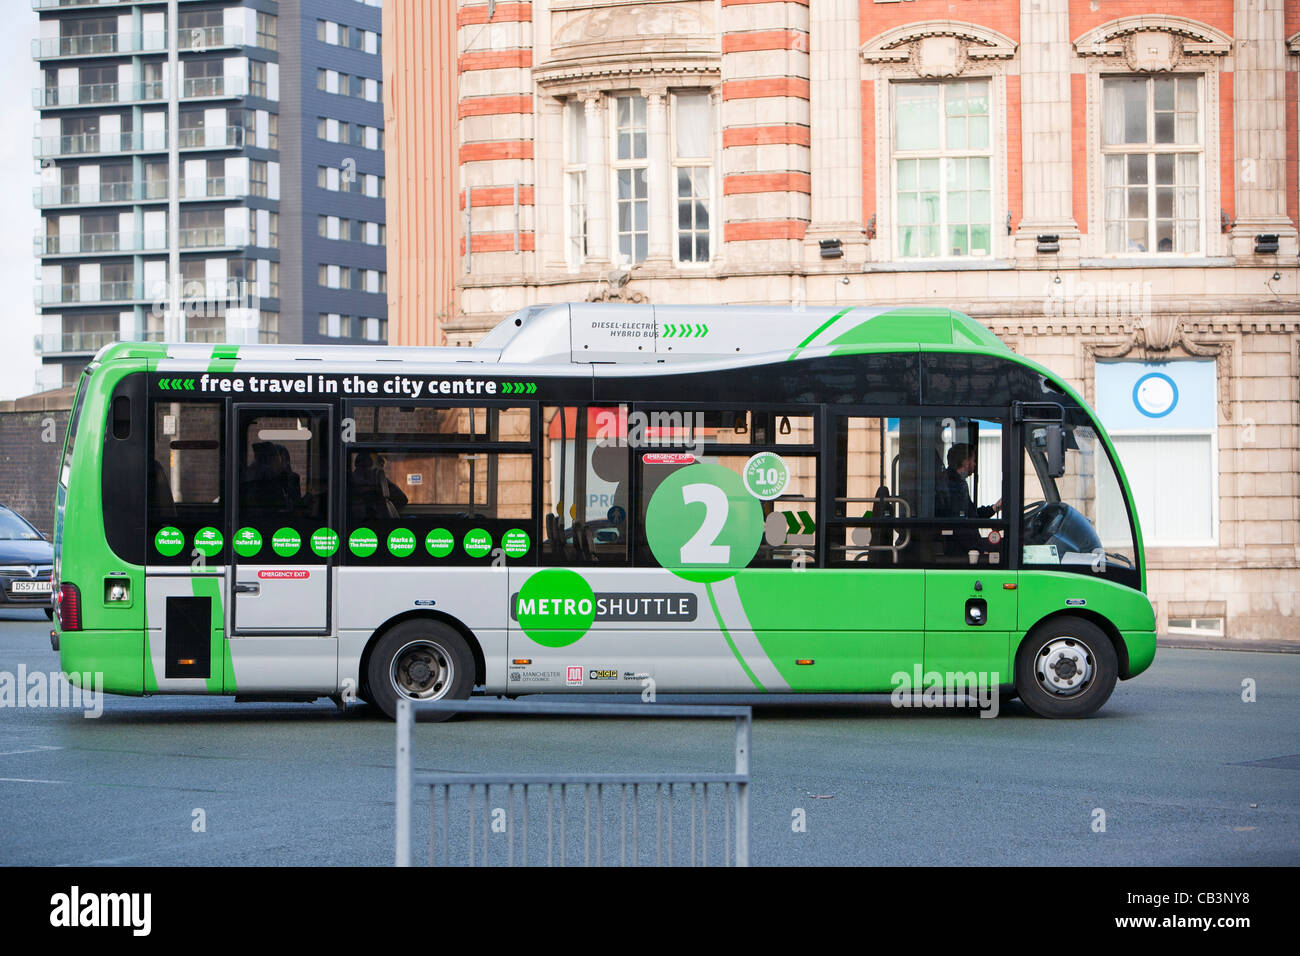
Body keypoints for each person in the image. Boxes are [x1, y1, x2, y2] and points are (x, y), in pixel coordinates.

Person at [936, 443, 1001, 520]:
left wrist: (995, 507)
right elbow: (967, 519)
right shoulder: (954, 486)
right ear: (965, 463)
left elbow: (971, 515)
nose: (975, 464)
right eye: (973, 460)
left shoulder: (954, 482)